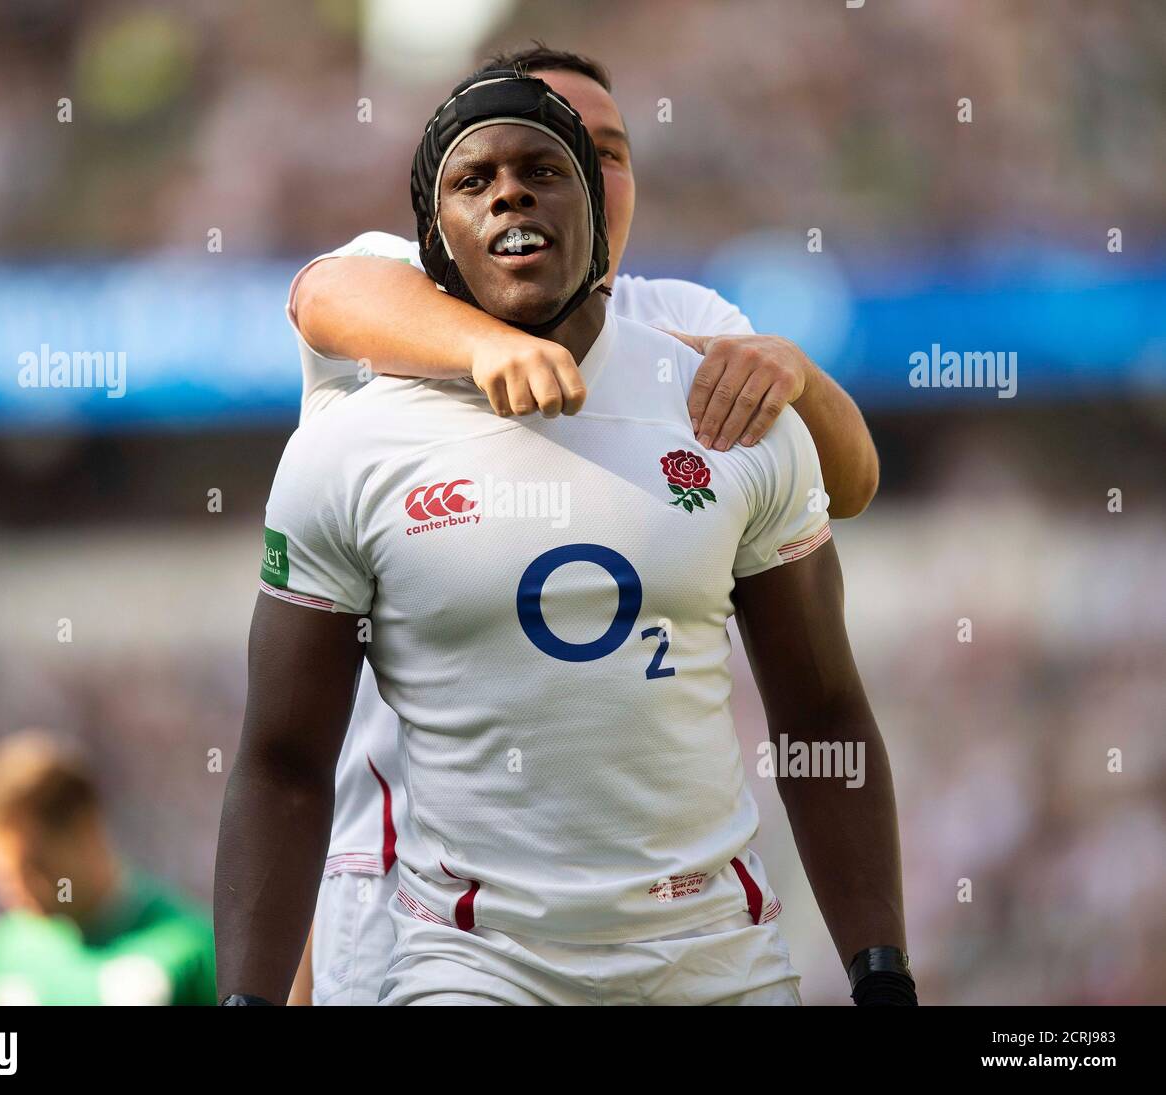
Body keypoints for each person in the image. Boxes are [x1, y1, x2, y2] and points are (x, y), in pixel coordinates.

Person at [216, 69, 912, 1006]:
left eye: (575, 157)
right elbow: (324, 291)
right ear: (431, 233)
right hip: (419, 907)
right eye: (480, 174)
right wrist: (483, 345)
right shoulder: (369, 400)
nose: (512, 189)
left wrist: (799, 375)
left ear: (605, 184)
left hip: (705, 943)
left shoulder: (701, 345)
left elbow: (848, 511)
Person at [0, 729, 216, 1005]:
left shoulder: (191, 951)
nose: (14, 891)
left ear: (85, 831)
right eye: (1, 876)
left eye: (33, 868)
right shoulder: (2, 955)